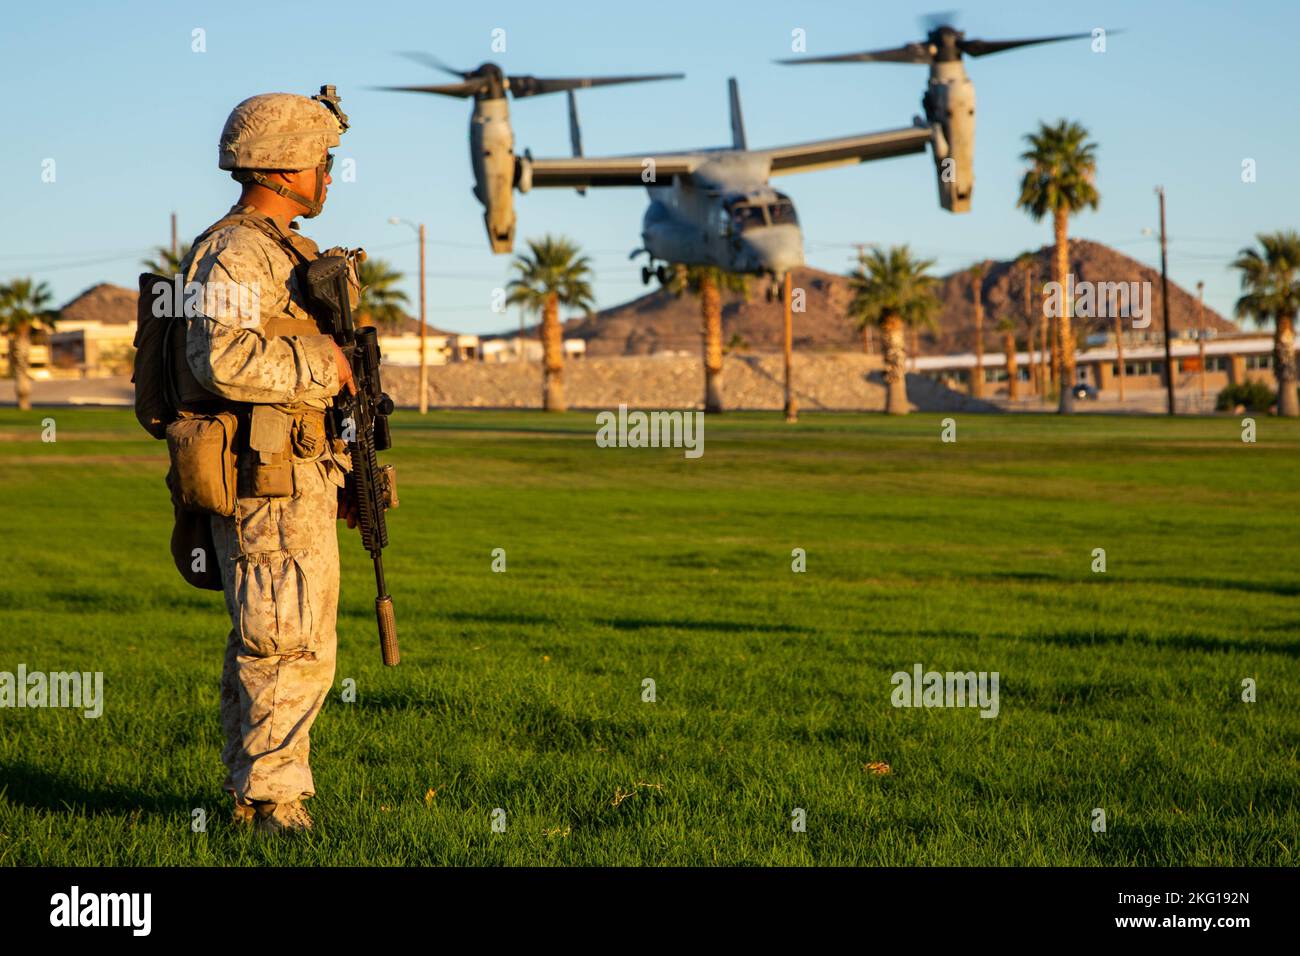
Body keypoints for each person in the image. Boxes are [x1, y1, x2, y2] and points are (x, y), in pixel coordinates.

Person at [174, 87, 359, 834]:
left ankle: (256, 795)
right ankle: (273, 803)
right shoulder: (238, 251)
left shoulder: (284, 250)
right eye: (321, 159)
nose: (327, 174)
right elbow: (218, 356)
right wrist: (325, 364)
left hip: (298, 473)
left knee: (283, 635)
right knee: (283, 641)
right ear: (282, 166)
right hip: (265, 483)